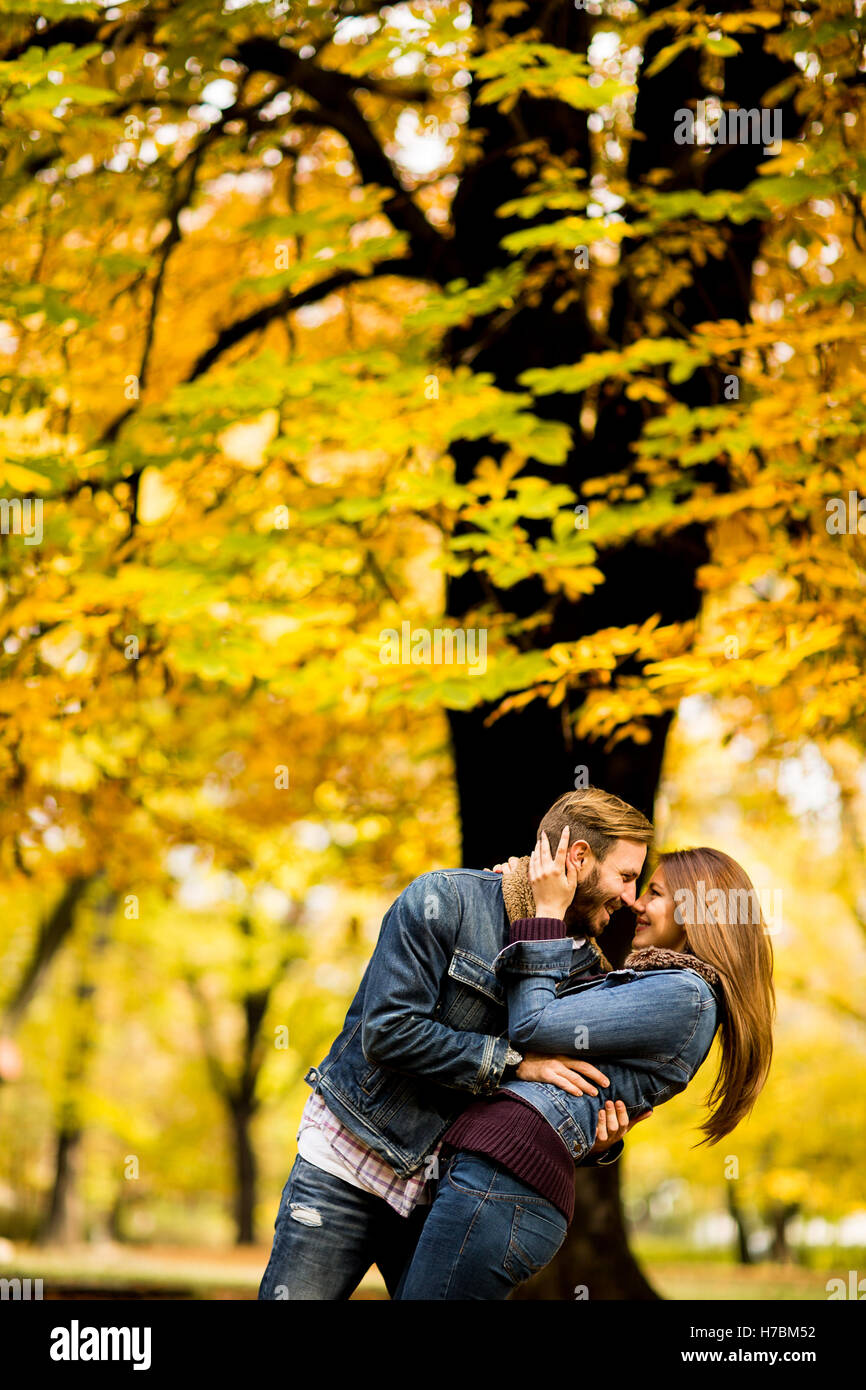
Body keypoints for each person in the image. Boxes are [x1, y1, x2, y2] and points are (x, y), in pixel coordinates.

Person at [258, 787, 655, 1300]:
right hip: (349, 1162)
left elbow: (541, 1109)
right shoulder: (444, 900)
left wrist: (595, 1141)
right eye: (626, 875)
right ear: (577, 858)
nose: (632, 897)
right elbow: (388, 1031)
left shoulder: (588, 977)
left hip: (446, 1198)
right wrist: (514, 1063)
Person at [393, 832, 775, 1300]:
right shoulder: (658, 985)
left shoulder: (685, 995)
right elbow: (580, 1079)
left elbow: (533, 1022)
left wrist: (546, 915)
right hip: (492, 1174)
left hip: (501, 1181)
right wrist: (515, 893)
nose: (636, 903)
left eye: (653, 893)